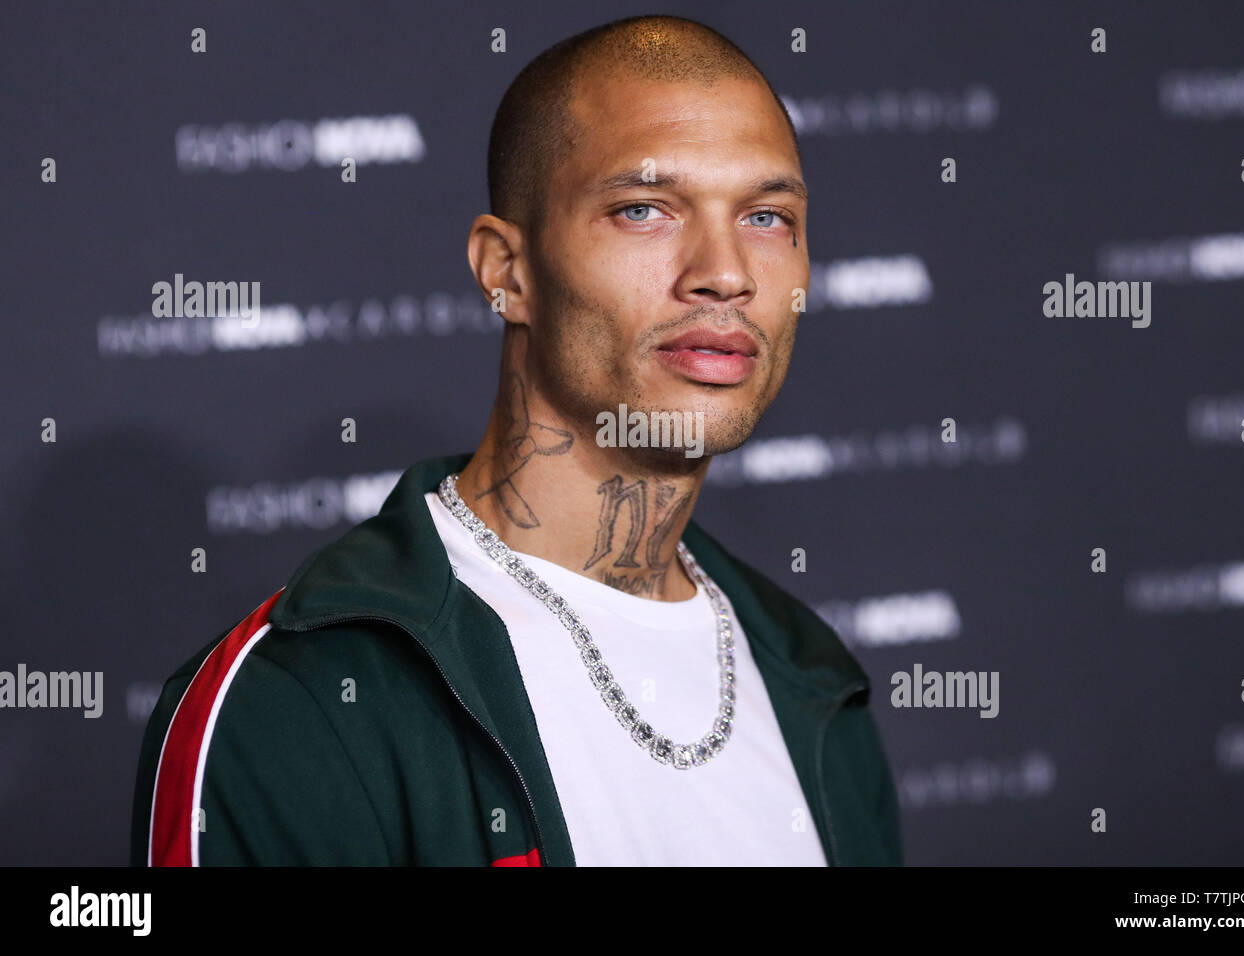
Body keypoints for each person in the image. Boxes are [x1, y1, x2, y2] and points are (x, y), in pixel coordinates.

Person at [131, 13, 902, 867]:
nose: (725, 272)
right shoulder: (302, 703)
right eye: (644, 209)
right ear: (508, 272)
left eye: (766, 217)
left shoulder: (816, 683)